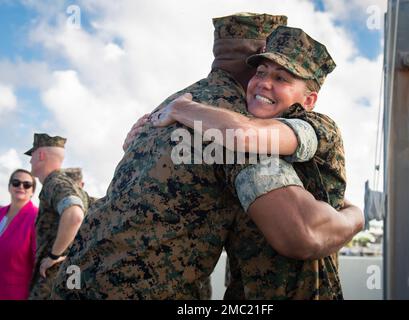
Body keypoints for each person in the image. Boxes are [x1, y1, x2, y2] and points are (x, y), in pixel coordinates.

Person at [52, 13, 362, 300]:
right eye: (262, 68)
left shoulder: (176, 104)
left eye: (282, 76)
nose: (265, 81)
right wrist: (355, 218)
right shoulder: (224, 122)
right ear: (255, 57)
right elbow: (301, 234)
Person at [25, 133, 90, 299]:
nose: (30, 161)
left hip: (52, 281)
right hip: (65, 279)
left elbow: (74, 214)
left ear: (40, 155)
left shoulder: (54, 182)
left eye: (31, 155)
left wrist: (53, 256)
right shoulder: (66, 184)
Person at [0, 169, 38, 300]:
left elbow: (38, 263)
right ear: (10, 187)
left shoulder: (37, 218)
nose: (21, 186)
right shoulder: (0, 212)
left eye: (27, 184)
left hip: (15, 294)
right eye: (16, 183)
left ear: (32, 191)